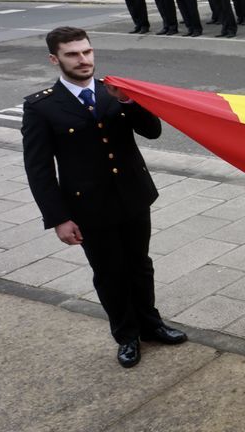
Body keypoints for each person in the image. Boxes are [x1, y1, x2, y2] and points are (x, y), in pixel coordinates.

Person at [21, 27, 188, 368]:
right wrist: (58, 218)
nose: (83, 60)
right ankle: (126, 336)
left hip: (133, 197)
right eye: (72, 54)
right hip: (88, 207)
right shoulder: (42, 107)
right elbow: (38, 169)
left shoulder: (115, 91)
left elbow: (152, 131)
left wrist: (128, 101)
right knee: (110, 273)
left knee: (140, 265)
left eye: (86, 52)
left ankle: (151, 324)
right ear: (55, 59)